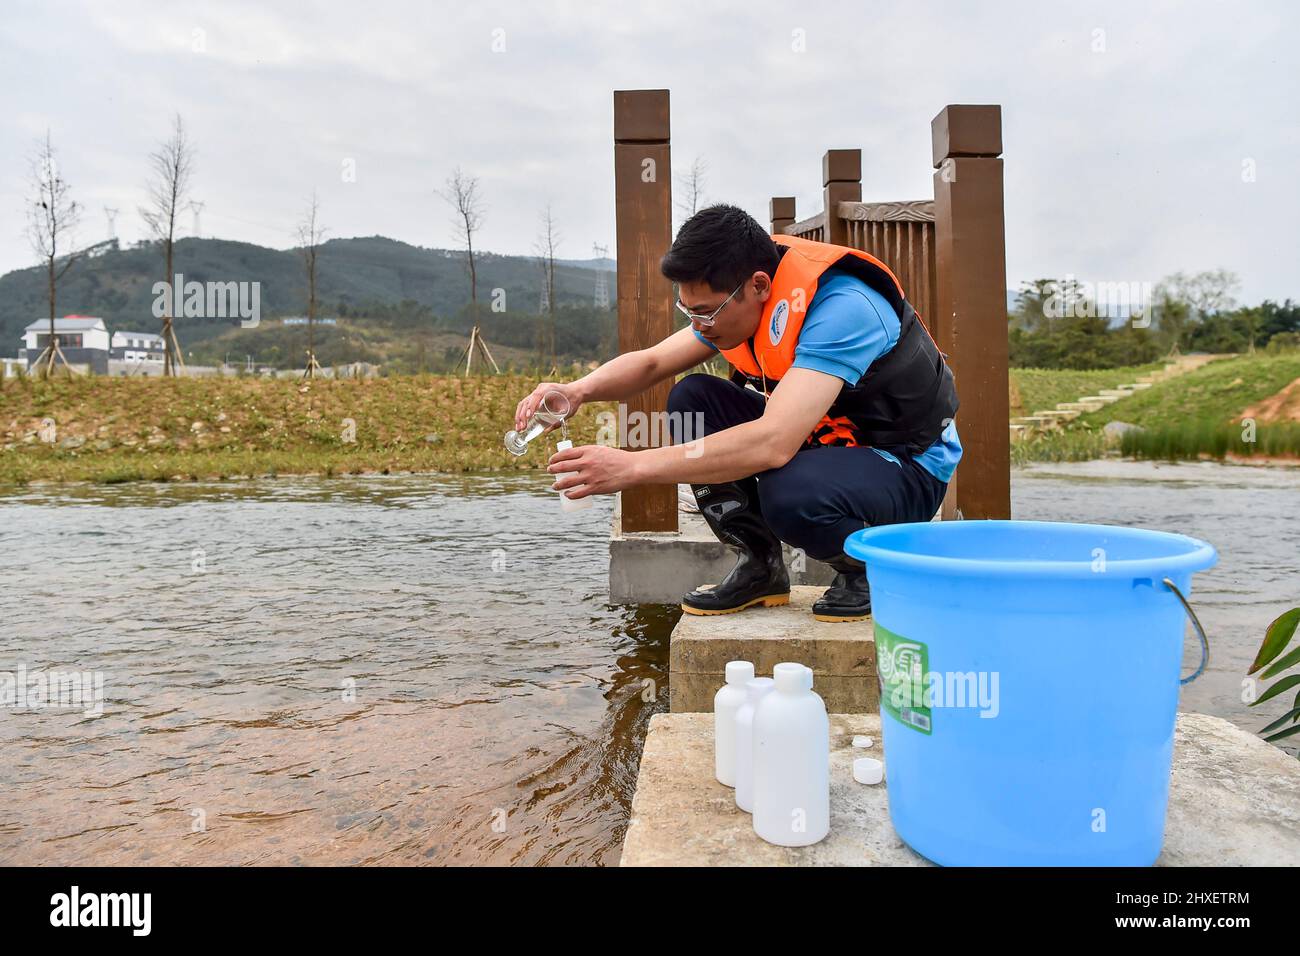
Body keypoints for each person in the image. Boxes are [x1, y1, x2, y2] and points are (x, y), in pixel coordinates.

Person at [514, 204, 960, 622]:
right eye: (688, 311)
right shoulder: (738, 302)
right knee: (693, 399)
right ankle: (760, 565)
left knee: (788, 491)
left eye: (705, 312)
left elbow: (773, 442)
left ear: (760, 286)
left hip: (905, 464)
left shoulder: (844, 310)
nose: (699, 324)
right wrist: (575, 391)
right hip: (830, 443)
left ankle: (869, 570)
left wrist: (631, 465)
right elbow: (652, 362)